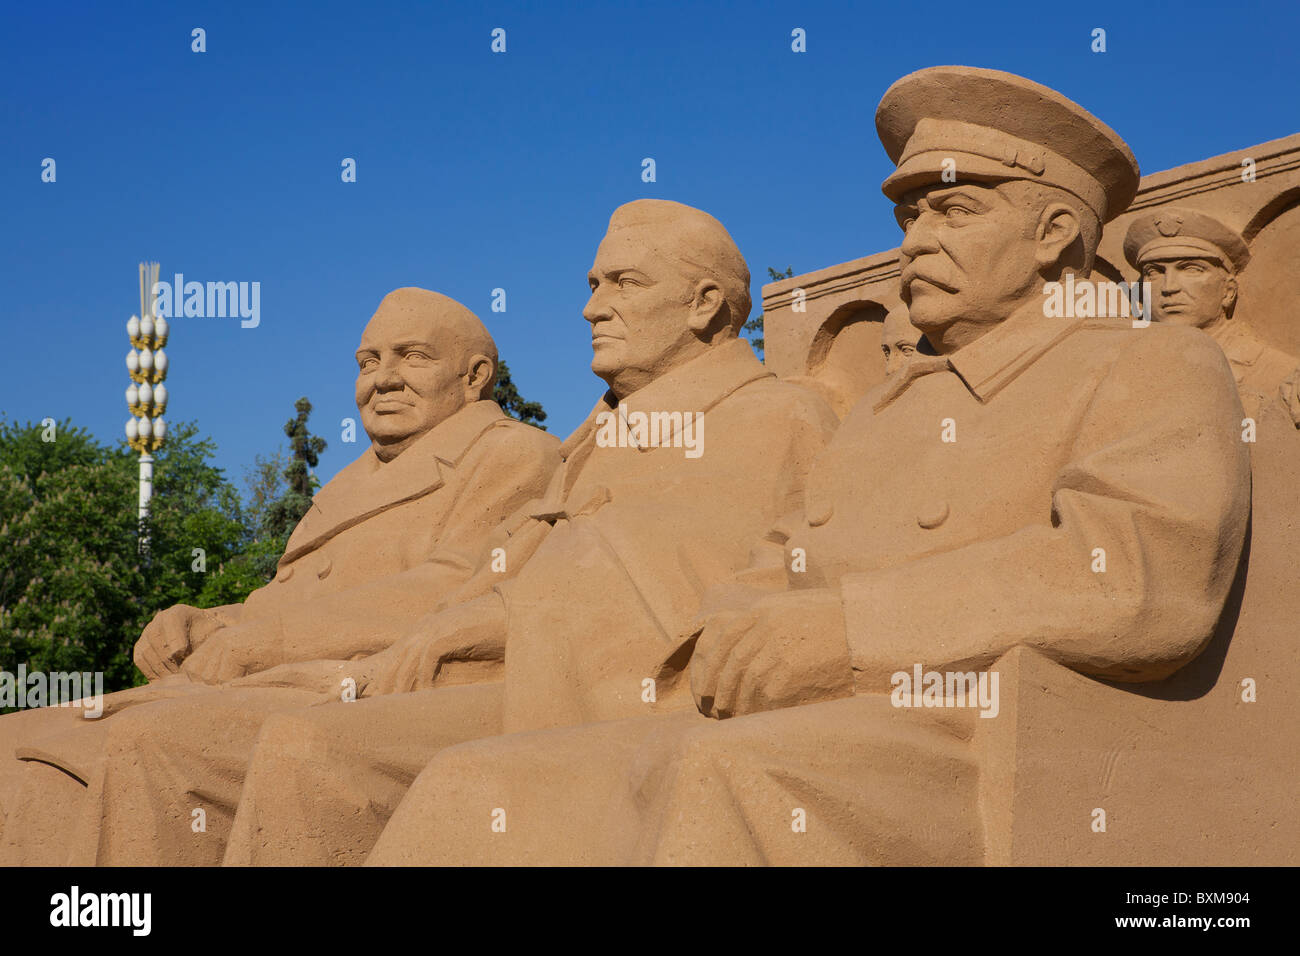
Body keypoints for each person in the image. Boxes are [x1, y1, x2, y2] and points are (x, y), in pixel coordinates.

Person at [364, 67, 1252, 866]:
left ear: (1055, 231)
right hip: (804, 716)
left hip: (975, 724)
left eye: (954, 209)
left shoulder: (1148, 364)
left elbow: (1140, 581)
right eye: (910, 216)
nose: (914, 241)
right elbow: (775, 561)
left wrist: (853, 630)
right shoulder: (879, 412)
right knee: (477, 781)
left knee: (718, 775)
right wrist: (739, 633)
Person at [0, 287, 561, 863]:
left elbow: (453, 586)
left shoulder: (516, 454)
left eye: (412, 356)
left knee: (144, 743)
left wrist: (262, 643)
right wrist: (211, 621)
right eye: (368, 362)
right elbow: (283, 599)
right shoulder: (345, 486)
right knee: (12, 743)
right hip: (264, 679)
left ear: (475, 377)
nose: (383, 379)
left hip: (364, 685)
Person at [1123, 207, 1299, 422]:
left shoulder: (1280, 375)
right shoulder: (1129, 372)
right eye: (1155, 272)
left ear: (1228, 292)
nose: (1169, 287)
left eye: (1191, 269)